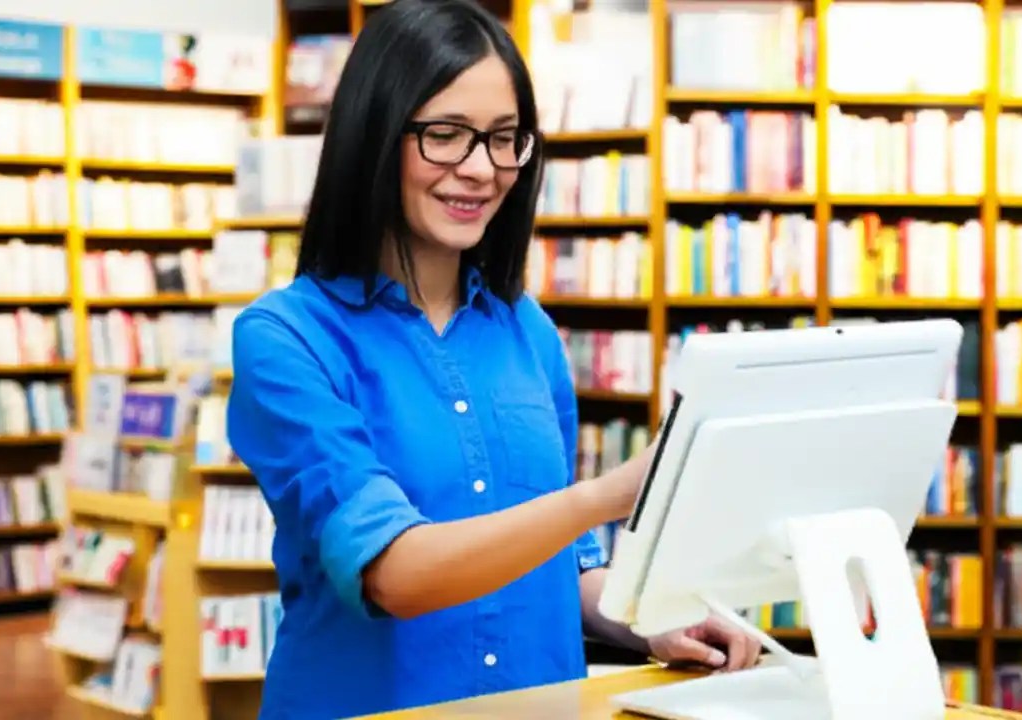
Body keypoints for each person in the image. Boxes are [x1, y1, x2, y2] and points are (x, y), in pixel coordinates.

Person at [225, 1, 762, 718]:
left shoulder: (528, 331)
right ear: (374, 135)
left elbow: (558, 567)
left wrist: (650, 620)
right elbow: (394, 574)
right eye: (445, 136)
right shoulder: (286, 338)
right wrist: (604, 497)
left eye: (506, 139)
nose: (481, 170)